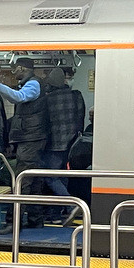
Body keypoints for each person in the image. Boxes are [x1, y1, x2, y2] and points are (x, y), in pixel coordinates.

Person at [0, 57, 49, 227]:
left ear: (22, 68)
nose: (13, 73)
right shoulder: (32, 82)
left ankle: (13, 222)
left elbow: (19, 97)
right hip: (34, 137)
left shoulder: (33, 84)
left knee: (22, 180)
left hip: (31, 138)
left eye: (14, 69)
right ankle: (35, 220)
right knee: (34, 181)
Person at [41, 67, 86, 222]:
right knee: (62, 176)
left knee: (50, 178)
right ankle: (56, 214)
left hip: (53, 144)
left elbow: (45, 123)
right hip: (72, 143)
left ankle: (72, 205)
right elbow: (81, 118)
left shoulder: (48, 99)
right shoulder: (76, 96)